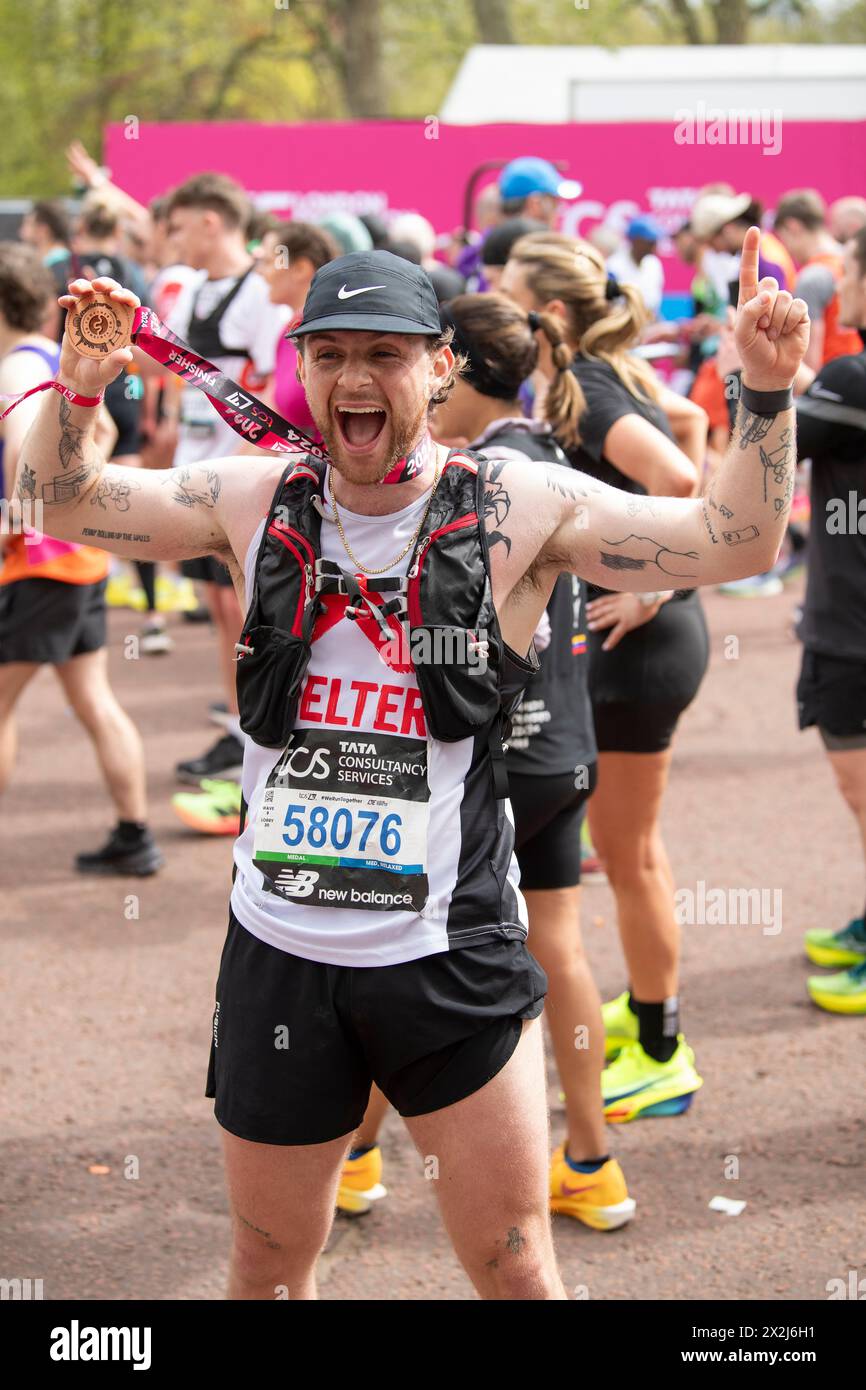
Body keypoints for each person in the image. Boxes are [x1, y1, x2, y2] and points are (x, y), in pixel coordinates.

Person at [18, 233, 807, 1298]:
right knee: (263, 1266)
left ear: (439, 367)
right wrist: (77, 395)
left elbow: (735, 538)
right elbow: (56, 504)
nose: (354, 378)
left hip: (448, 956)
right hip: (281, 952)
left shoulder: (515, 507)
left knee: (513, 1264)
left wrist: (761, 388)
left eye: (384, 354)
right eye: (329, 352)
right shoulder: (249, 498)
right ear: (298, 364)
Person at [500, 233, 711, 1119]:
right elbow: (694, 422)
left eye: (507, 296)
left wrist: (652, 586)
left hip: (640, 645)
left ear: (548, 313)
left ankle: (662, 1049)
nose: (493, 307)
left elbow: (681, 471)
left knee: (631, 856)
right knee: (628, 853)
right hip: (634, 641)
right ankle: (649, 1013)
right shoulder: (595, 370)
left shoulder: (585, 384)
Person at [0, 244, 161, 875]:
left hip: (38, 562)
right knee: (94, 701)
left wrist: (21, 521)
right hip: (77, 557)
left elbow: (23, 466)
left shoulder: (17, 369)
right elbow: (108, 435)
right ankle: (134, 834)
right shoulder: (45, 360)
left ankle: (135, 834)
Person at [162, 173, 291, 794]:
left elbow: (272, 387)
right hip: (197, 473)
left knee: (248, 610)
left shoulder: (260, 294)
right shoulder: (189, 291)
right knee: (218, 609)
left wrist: (237, 459)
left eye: (180, 225)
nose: (173, 238)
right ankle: (241, 728)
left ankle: (270, 738)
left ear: (212, 221)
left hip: (239, 479)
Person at [791, 226, 866, 1014]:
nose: (841, 287)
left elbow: (773, 438)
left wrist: (755, 375)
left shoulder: (852, 378)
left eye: (849, 273)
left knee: (863, 799)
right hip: (847, 622)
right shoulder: (849, 382)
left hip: (852, 633)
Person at [772, 189, 862, 370]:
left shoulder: (811, 277)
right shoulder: (854, 261)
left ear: (793, 227)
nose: (787, 250)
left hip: (830, 385)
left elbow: (808, 359)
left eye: (784, 239)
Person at [691, 193, 796, 302]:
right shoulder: (759, 251)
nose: (715, 251)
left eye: (712, 243)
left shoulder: (765, 258)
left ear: (728, 230)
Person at [606, 215, 666, 320]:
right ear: (636, 241)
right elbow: (610, 304)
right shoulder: (613, 266)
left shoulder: (654, 264)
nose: (654, 244)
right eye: (649, 240)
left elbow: (654, 307)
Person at [498, 157, 581, 229]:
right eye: (555, 203)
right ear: (535, 205)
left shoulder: (490, 242)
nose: (558, 212)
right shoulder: (540, 245)